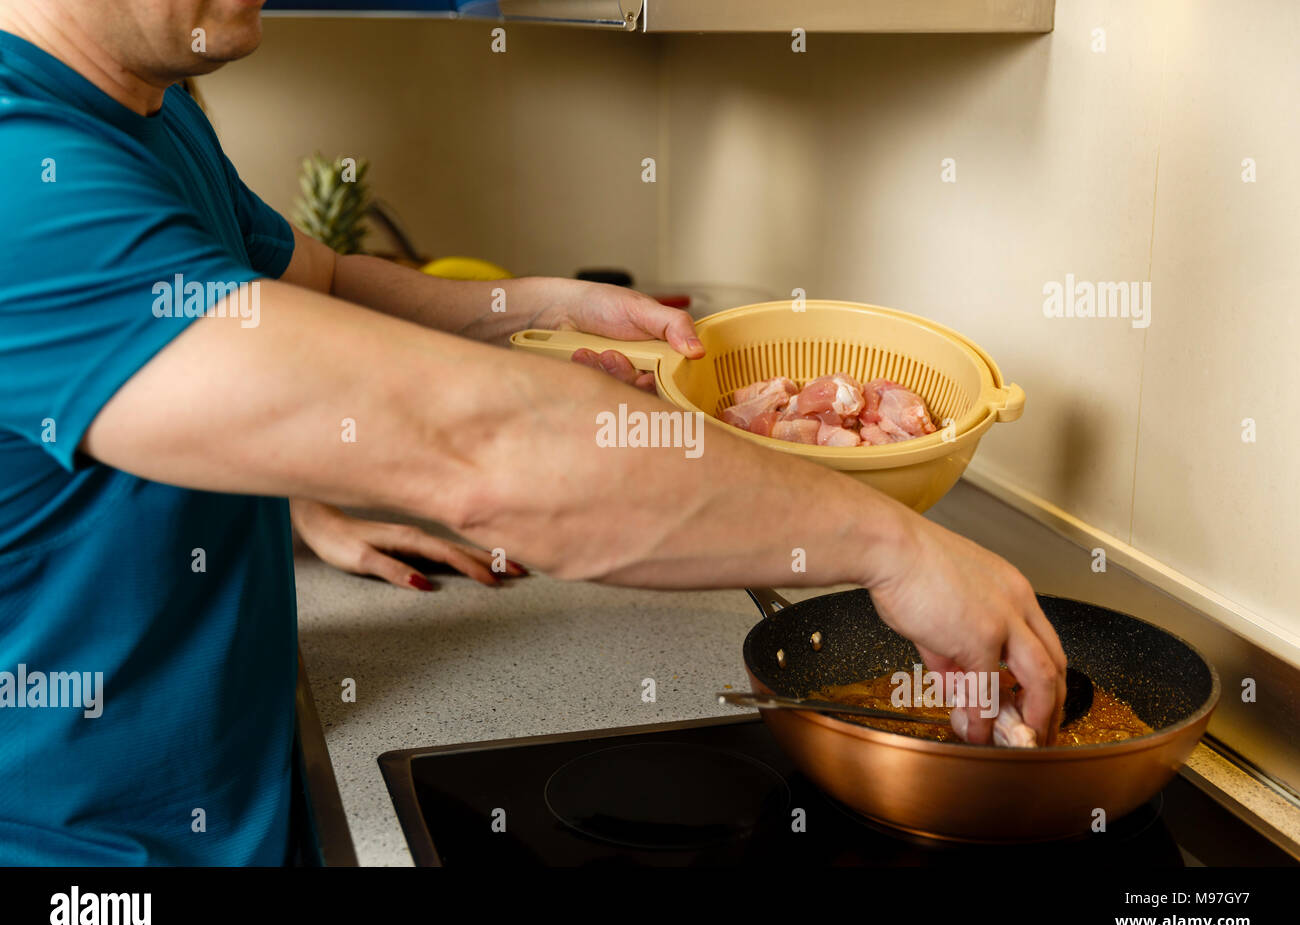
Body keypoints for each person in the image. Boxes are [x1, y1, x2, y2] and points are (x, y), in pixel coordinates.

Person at [0, 0, 1065, 865]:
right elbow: (483, 450)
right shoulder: (26, 178)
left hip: (224, 789)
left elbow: (315, 278)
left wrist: (540, 302)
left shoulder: (147, 103)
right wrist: (894, 542)